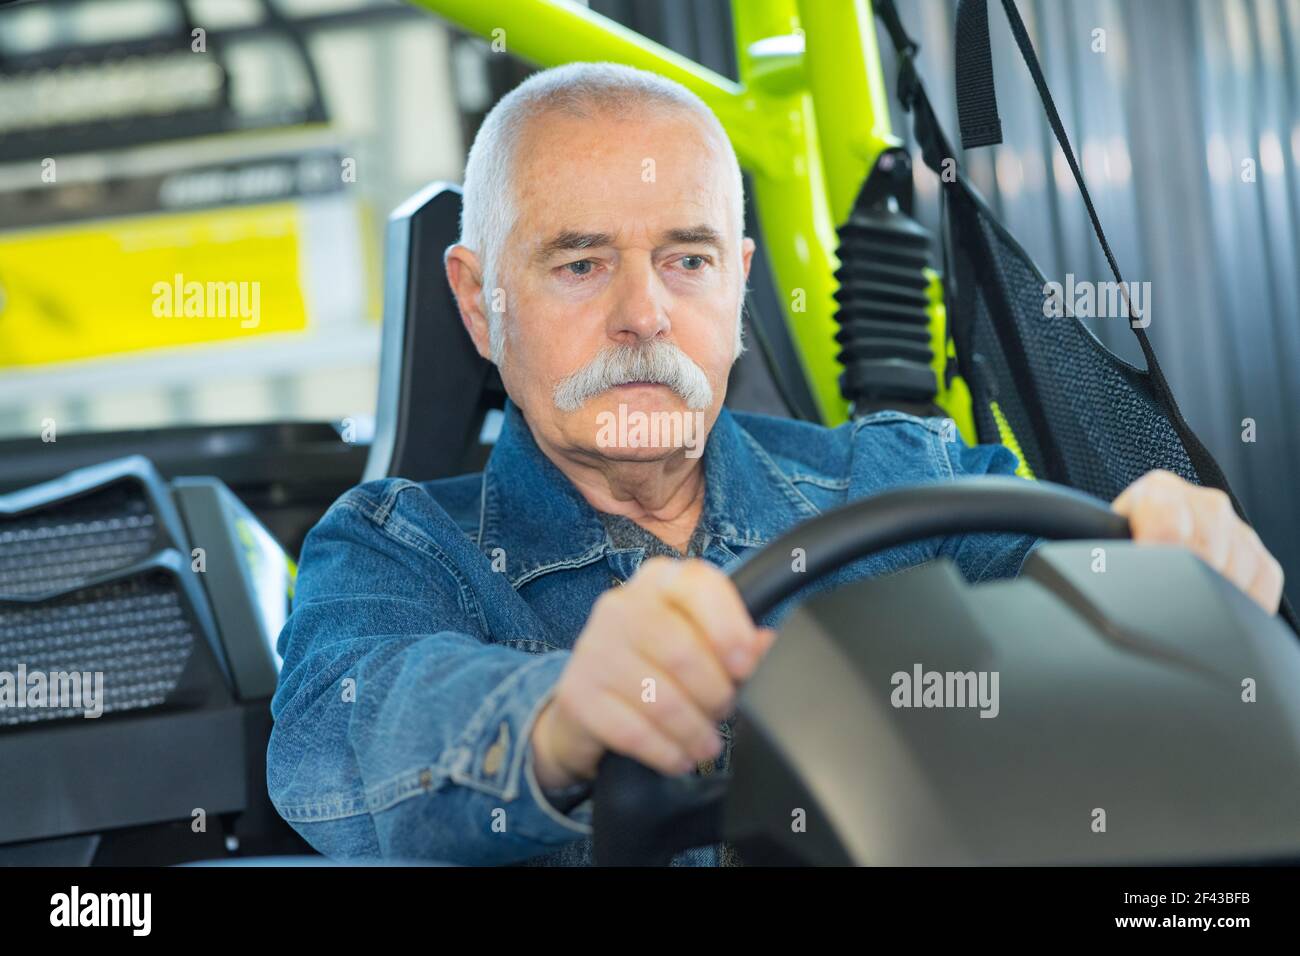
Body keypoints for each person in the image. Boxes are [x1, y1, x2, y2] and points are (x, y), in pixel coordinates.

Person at [267, 62, 1284, 866]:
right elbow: (345, 731)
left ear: (738, 283)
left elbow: (1068, 597)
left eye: (687, 258)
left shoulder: (904, 481)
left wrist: (1158, 554)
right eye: (579, 262)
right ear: (476, 298)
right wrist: (564, 710)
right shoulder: (398, 547)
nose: (642, 316)